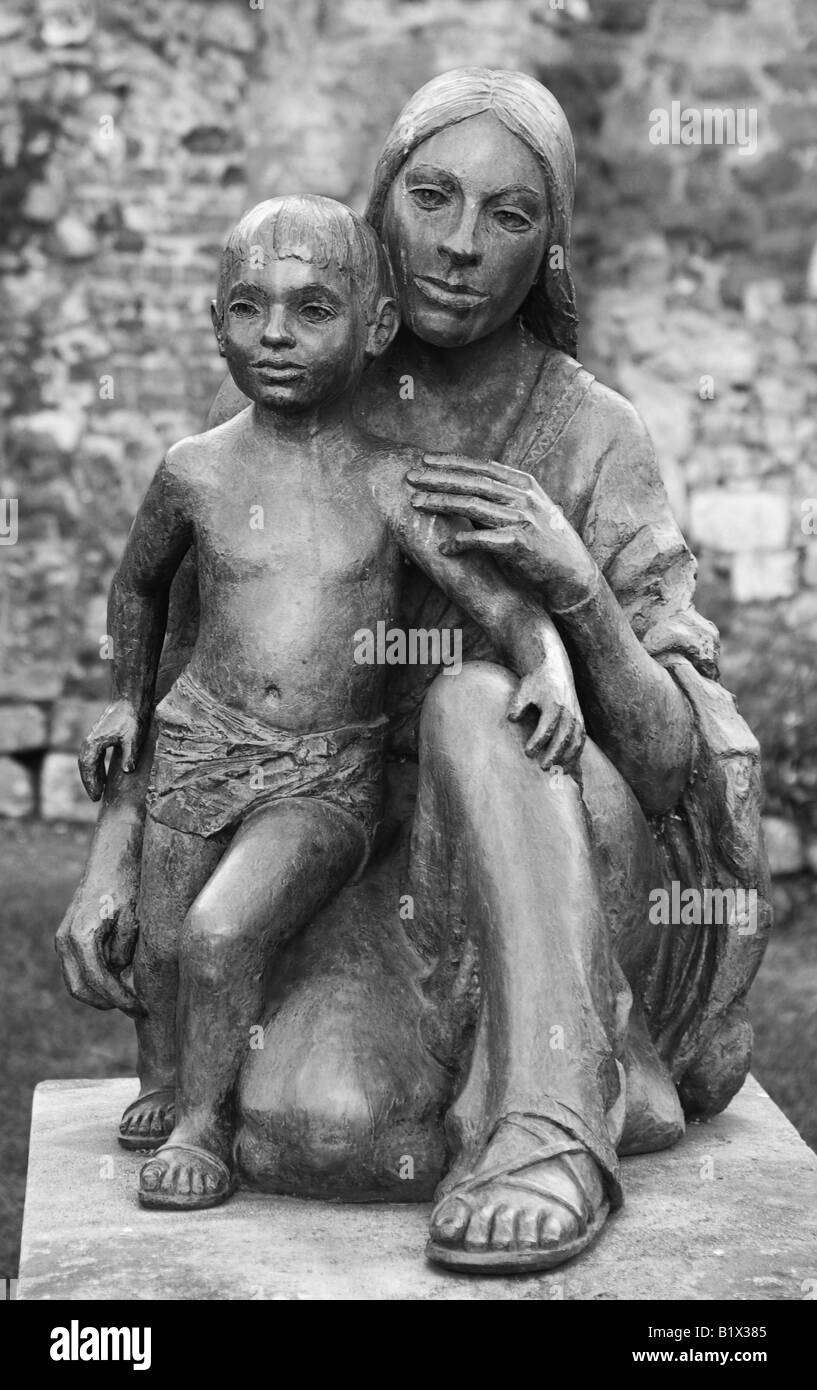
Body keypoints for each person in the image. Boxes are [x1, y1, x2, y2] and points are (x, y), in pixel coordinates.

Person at [58, 71, 770, 1271]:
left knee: (472, 694)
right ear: (381, 210)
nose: (457, 245)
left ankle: (550, 1114)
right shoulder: (309, 380)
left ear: (549, 248)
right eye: (431, 197)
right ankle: (563, 1074)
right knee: (315, 1126)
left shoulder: (593, 433)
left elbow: (672, 767)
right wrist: (117, 849)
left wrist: (577, 595)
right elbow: (185, 660)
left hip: (565, 844)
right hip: (366, 865)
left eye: (508, 215)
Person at [77, 193, 582, 1213]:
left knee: (222, 934)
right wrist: (123, 701)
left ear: (374, 327)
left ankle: (200, 1127)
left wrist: (548, 663)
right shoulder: (193, 471)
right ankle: (172, 1081)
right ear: (213, 318)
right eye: (247, 307)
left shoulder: (390, 480)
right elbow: (138, 588)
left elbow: (501, 599)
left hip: (318, 780)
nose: (274, 334)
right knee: (168, 946)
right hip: (193, 749)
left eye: (311, 308)